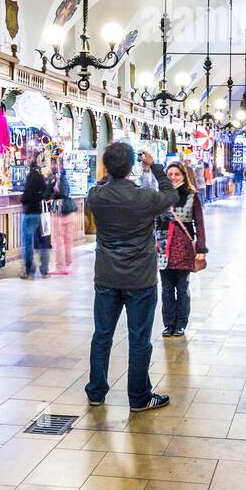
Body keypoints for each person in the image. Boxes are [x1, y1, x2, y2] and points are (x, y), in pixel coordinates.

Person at [85, 142, 177, 412]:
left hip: (106, 276)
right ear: (133, 166)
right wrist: (155, 167)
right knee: (139, 339)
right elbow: (171, 195)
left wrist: (113, 173)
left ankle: (96, 391)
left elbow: (103, 185)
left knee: (102, 335)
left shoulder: (96, 195)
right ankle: (138, 397)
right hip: (140, 278)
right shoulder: (144, 198)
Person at [157, 161, 208, 338]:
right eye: (169, 174)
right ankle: (168, 323)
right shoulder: (161, 196)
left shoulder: (191, 195)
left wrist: (201, 247)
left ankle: (181, 323)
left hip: (183, 246)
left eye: (176, 174)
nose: (173, 177)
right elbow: (154, 221)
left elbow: (199, 223)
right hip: (164, 246)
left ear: (184, 176)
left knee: (182, 286)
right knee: (166, 288)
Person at [46, 155, 78, 276]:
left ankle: (61, 266)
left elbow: (54, 193)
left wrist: (54, 189)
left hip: (60, 212)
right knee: (67, 241)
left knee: (59, 240)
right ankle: (67, 265)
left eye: (54, 164)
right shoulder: (62, 177)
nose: (53, 166)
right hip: (69, 211)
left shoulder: (57, 178)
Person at [20, 155, 48, 278]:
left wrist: (23, 200)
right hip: (41, 212)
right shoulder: (42, 177)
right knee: (43, 242)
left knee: (28, 242)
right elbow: (47, 193)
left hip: (30, 212)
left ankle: (29, 270)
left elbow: (26, 196)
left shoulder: (30, 178)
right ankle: (44, 270)